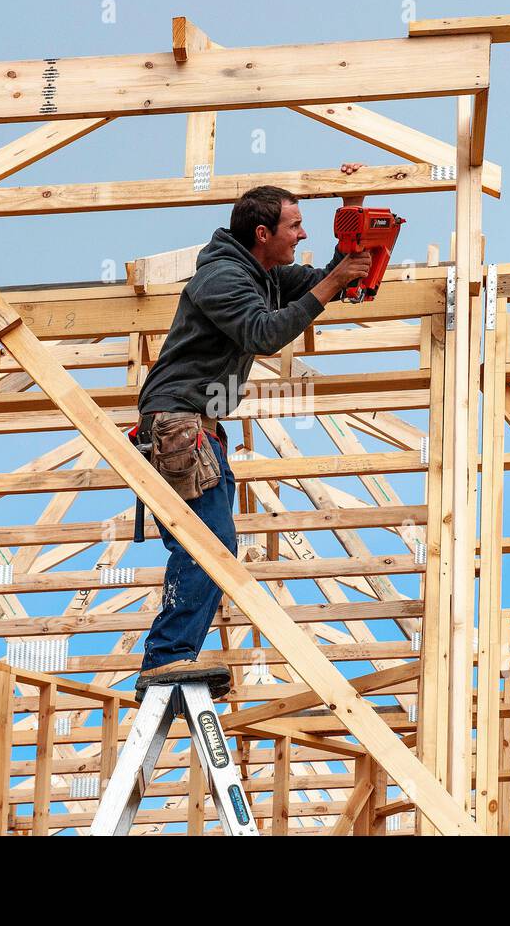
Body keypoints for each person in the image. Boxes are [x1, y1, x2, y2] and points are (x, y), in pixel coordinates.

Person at [132, 164, 373, 700]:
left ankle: (169, 660)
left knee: (211, 544)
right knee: (207, 545)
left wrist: (354, 211)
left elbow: (317, 282)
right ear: (262, 234)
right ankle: (166, 661)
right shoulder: (221, 278)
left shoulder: (259, 272)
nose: (302, 235)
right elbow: (264, 334)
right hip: (178, 421)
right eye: (294, 226)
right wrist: (334, 281)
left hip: (197, 423)